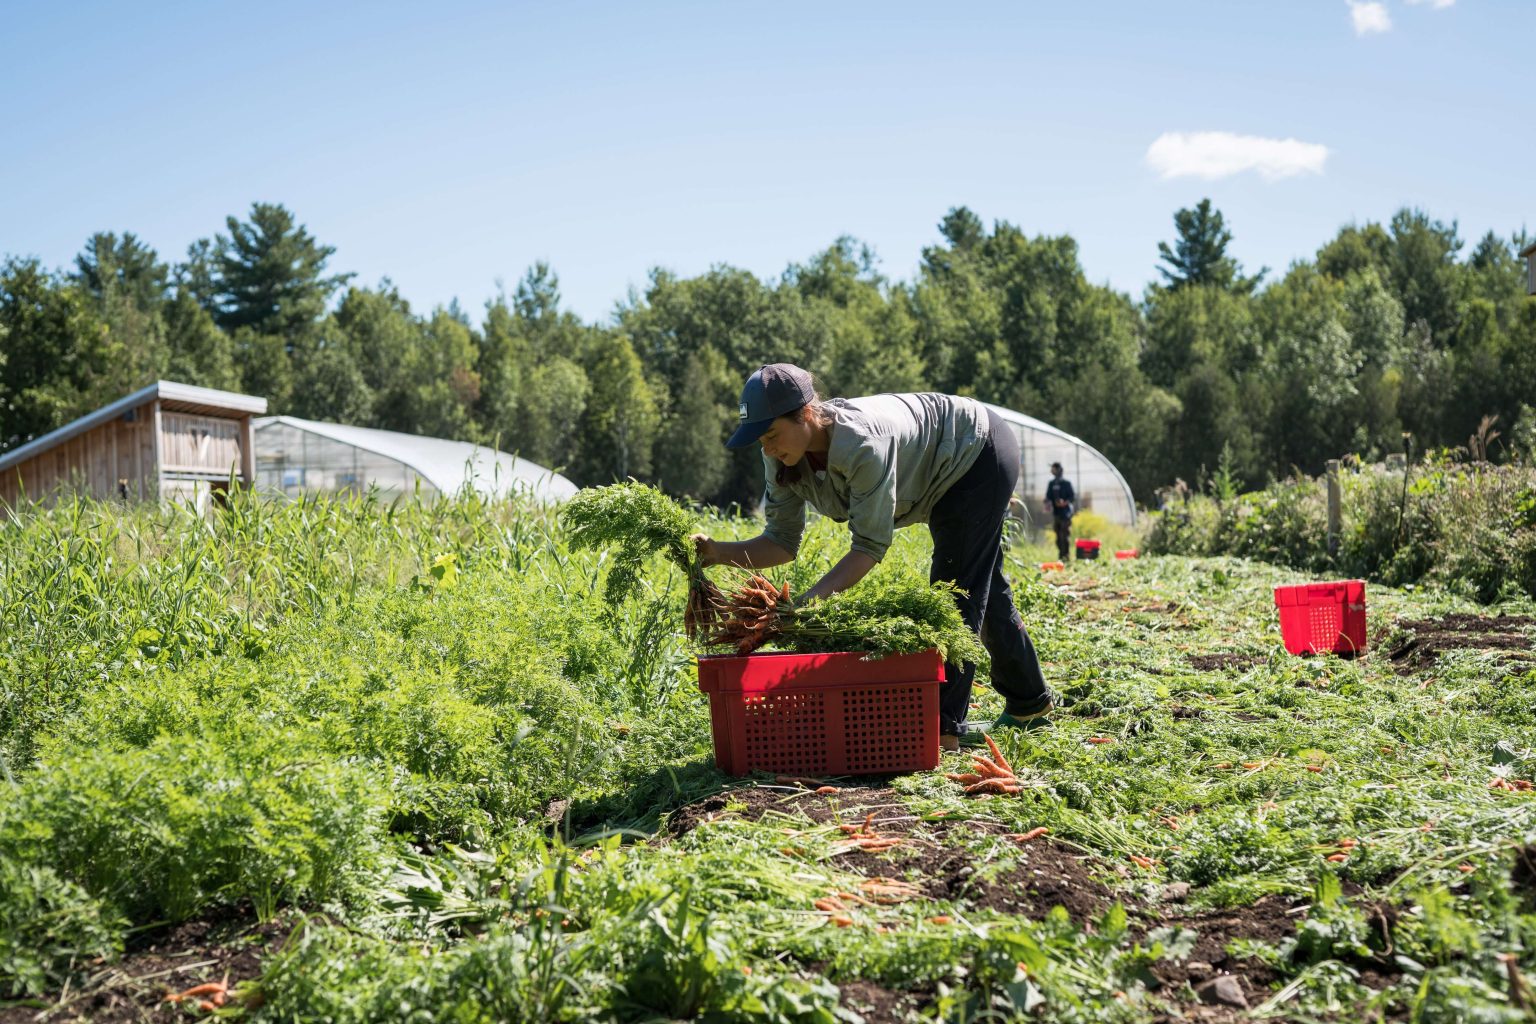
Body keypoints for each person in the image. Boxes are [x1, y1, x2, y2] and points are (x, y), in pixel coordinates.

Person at [692, 363, 1056, 751]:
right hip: (941, 470)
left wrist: (805, 604)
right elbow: (780, 541)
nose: (767, 448)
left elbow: (868, 547)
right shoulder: (781, 456)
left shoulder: (862, 443)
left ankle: (941, 730)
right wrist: (717, 552)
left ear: (806, 414)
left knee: (956, 593)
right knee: (983, 586)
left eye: (771, 435)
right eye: (760, 440)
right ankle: (1029, 703)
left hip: (974, 452)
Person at [1044, 462, 1075, 561]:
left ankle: (1066, 556)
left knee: (1064, 536)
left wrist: (1064, 503)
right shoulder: (1051, 483)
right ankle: (1061, 556)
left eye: (1053, 469)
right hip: (1056, 513)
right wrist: (1048, 503)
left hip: (1066, 513)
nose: (1052, 471)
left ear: (1059, 470)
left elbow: (1072, 497)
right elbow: (1048, 497)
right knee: (1058, 536)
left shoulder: (1066, 483)